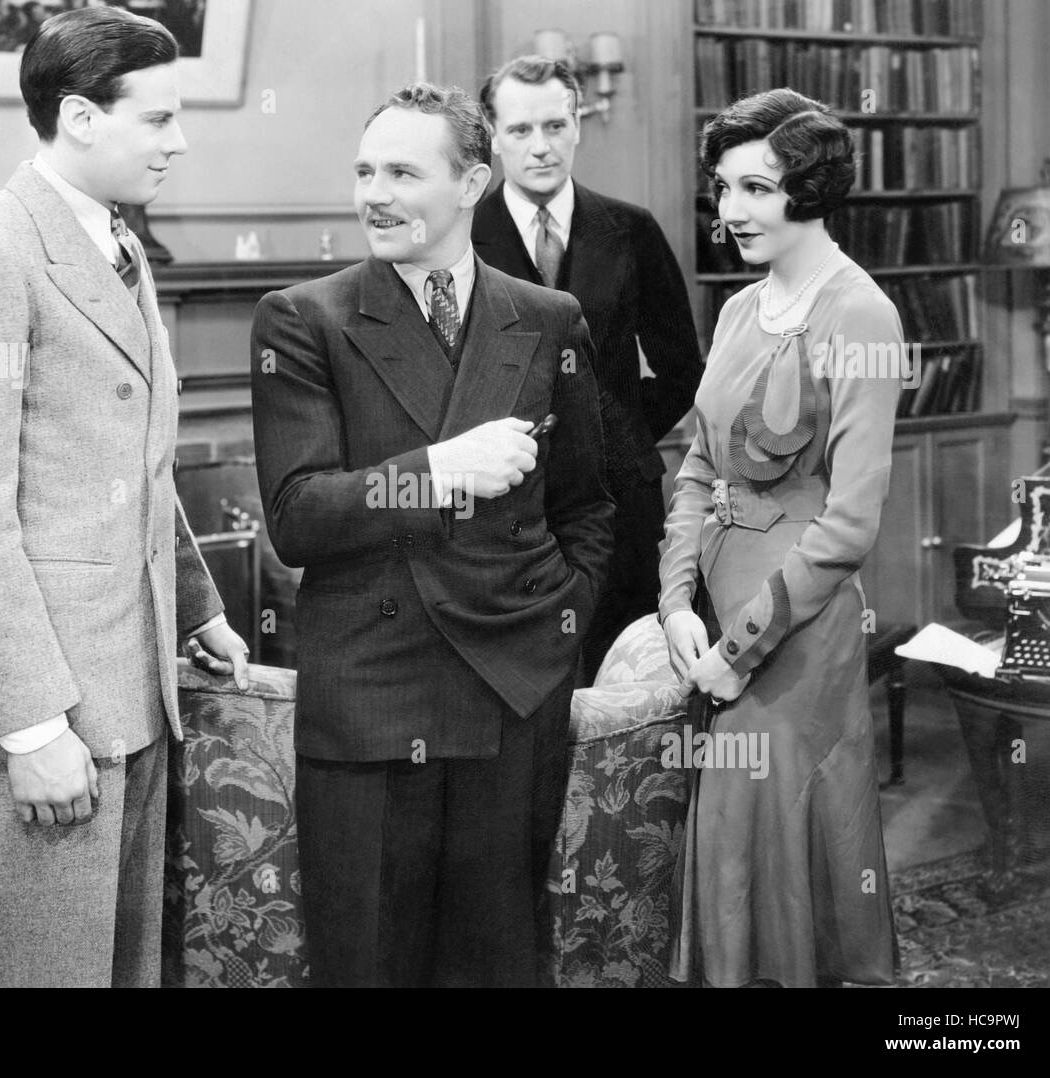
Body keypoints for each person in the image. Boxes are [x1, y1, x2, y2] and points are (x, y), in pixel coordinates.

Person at [0, 5, 249, 988]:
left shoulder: (111, 241)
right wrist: (33, 727)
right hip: (49, 715)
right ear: (82, 118)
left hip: (133, 693)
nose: (179, 142)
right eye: (158, 118)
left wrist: (198, 606)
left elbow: (128, 461)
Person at [250, 82, 614, 987]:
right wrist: (440, 470)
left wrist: (557, 623)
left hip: (513, 689)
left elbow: (588, 509)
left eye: (403, 172)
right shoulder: (304, 319)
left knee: (496, 962)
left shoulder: (548, 318)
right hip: (374, 694)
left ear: (473, 184)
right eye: (365, 170)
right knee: (371, 961)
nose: (374, 192)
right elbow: (296, 516)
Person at [659, 88, 899, 987]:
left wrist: (739, 647)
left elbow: (850, 524)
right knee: (725, 849)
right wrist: (675, 599)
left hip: (793, 638)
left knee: (769, 838)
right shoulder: (734, 311)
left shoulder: (861, 315)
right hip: (712, 620)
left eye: (756, 188)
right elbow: (694, 467)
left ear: (810, 188)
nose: (731, 211)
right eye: (723, 188)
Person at [473, 55, 703, 682]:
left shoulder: (631, 230)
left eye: (555, 125)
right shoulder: (462, 236)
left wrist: (612, 437)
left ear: (578, 124)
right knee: (524, 681)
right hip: (507, 505)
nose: (541, 147)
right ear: (492, 137)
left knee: (627, 677)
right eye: (520, 130)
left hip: (620, 499)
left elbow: (683, 368)